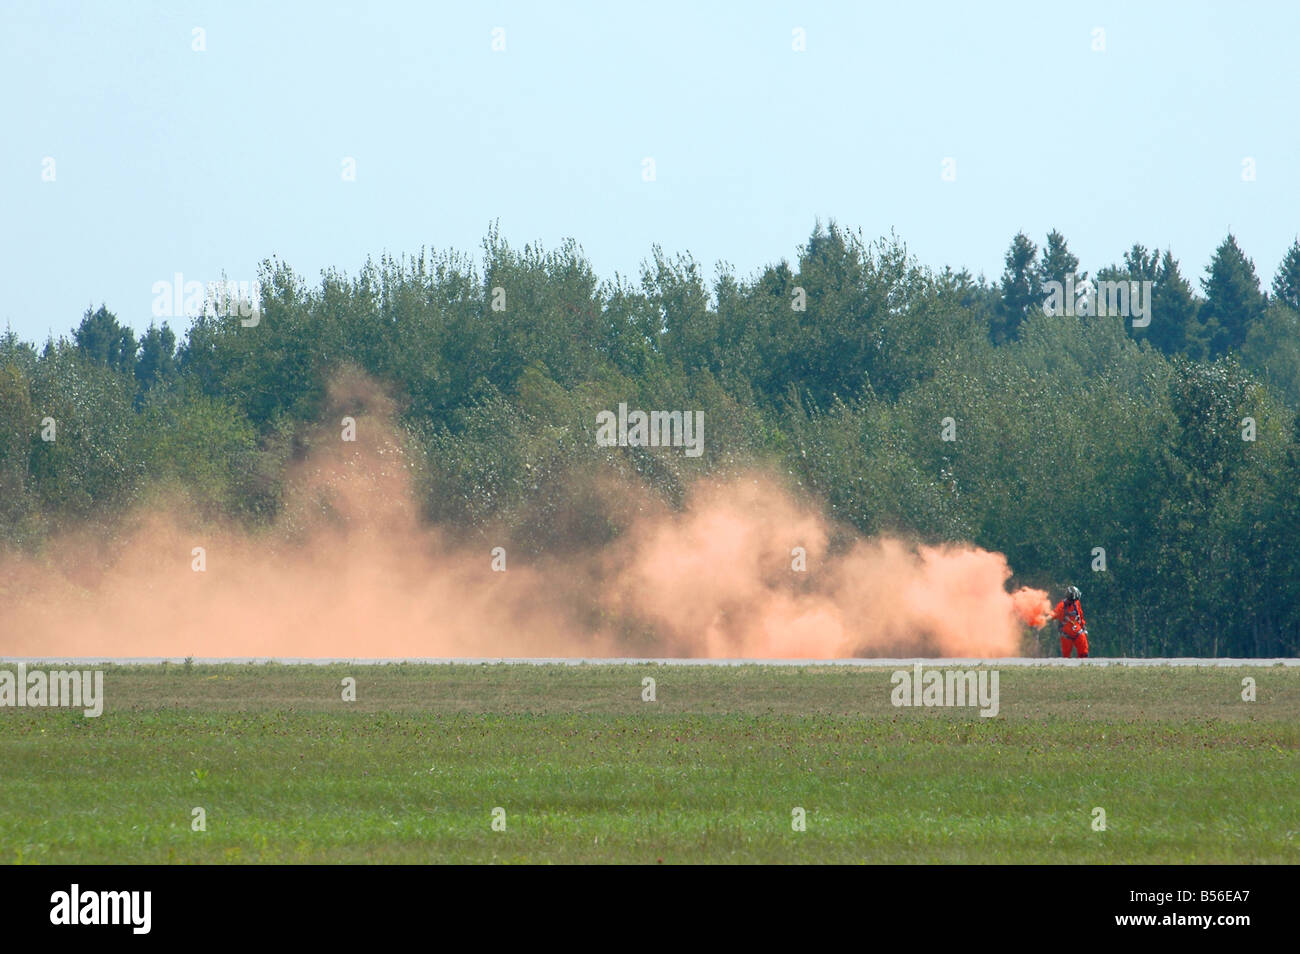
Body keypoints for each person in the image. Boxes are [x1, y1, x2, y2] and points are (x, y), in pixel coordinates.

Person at [1050, 585, 1089, 658]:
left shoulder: (1077, 603)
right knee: (1066, 657)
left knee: (1084, 653)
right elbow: (1053, 614)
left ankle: (1083, 667)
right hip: (1066, 636)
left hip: (1078, 633)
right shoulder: (1062, 605)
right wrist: (1043, 619)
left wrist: (1083, 627)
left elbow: (1080, 615)